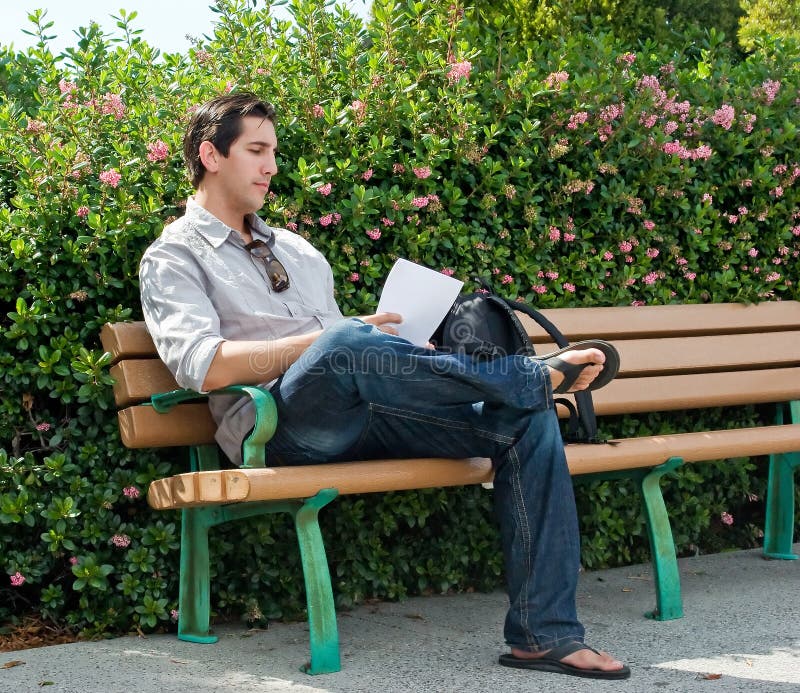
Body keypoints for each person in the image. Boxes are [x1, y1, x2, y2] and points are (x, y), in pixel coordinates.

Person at [139, 92, 631, 680]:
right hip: (278, 427)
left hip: (365, 408)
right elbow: (202, 366)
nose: (271, 166)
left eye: (274, 152)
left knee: (525, 419)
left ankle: (543, 635)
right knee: (346, 342)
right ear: (210, 156)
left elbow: (346, 350)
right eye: (257, 150)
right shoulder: (174, 256)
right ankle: (529, 376)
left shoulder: (296, 249)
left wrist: (398, 350)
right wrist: (334, 341)